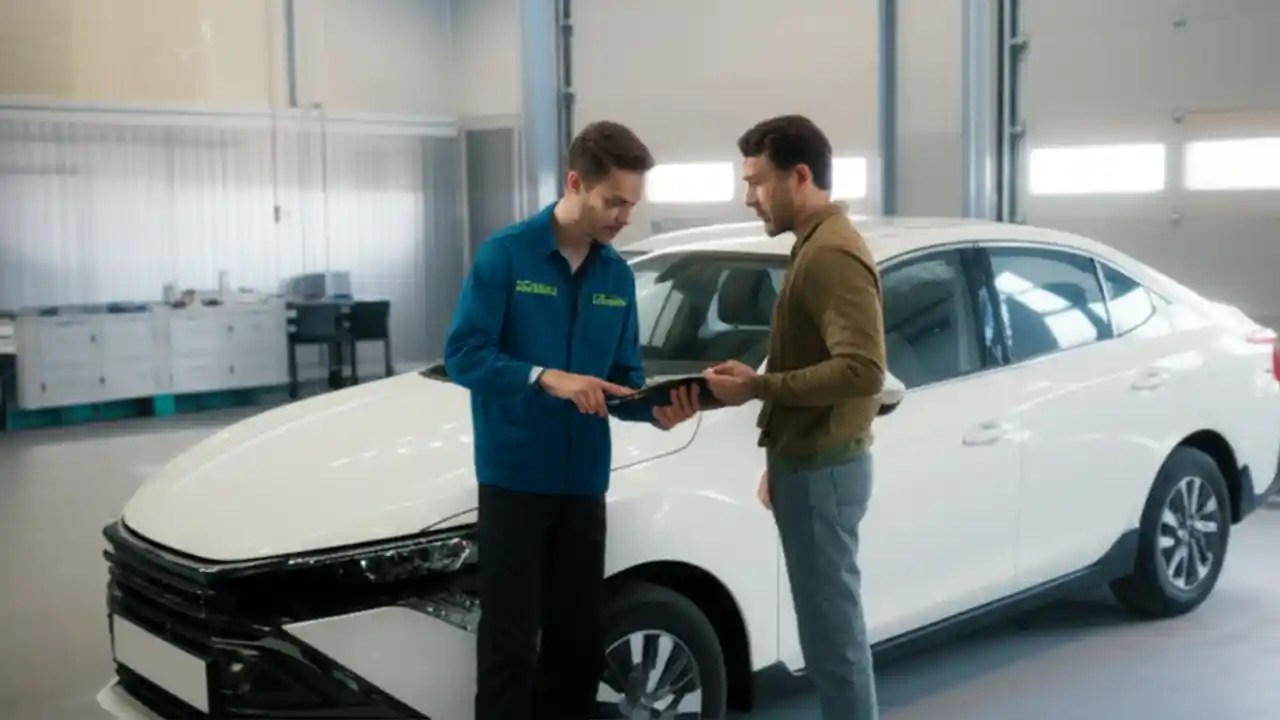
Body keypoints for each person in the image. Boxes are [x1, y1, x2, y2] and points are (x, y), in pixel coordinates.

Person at [443, 120, 701, 720]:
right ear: (575, 183)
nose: (623, 217)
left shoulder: (616, 275)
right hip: (515, 479)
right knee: (509, 644)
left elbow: (621, 377)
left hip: (584, 482)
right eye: (614, 201)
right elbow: (465, 355)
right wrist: (545, 377)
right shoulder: (506, 255)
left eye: (632, 205)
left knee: (577, 644)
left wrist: (658, 409)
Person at [703, 114, 886, 720]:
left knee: (833, 640)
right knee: (828, 631)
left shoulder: (831, 255)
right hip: (806, 465)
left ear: (799, 176)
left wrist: (759, 387)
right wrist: (781, 454)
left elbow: (863, 371)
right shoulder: (815, 246)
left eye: (756, 182)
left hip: (821, 473)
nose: (747, 196)